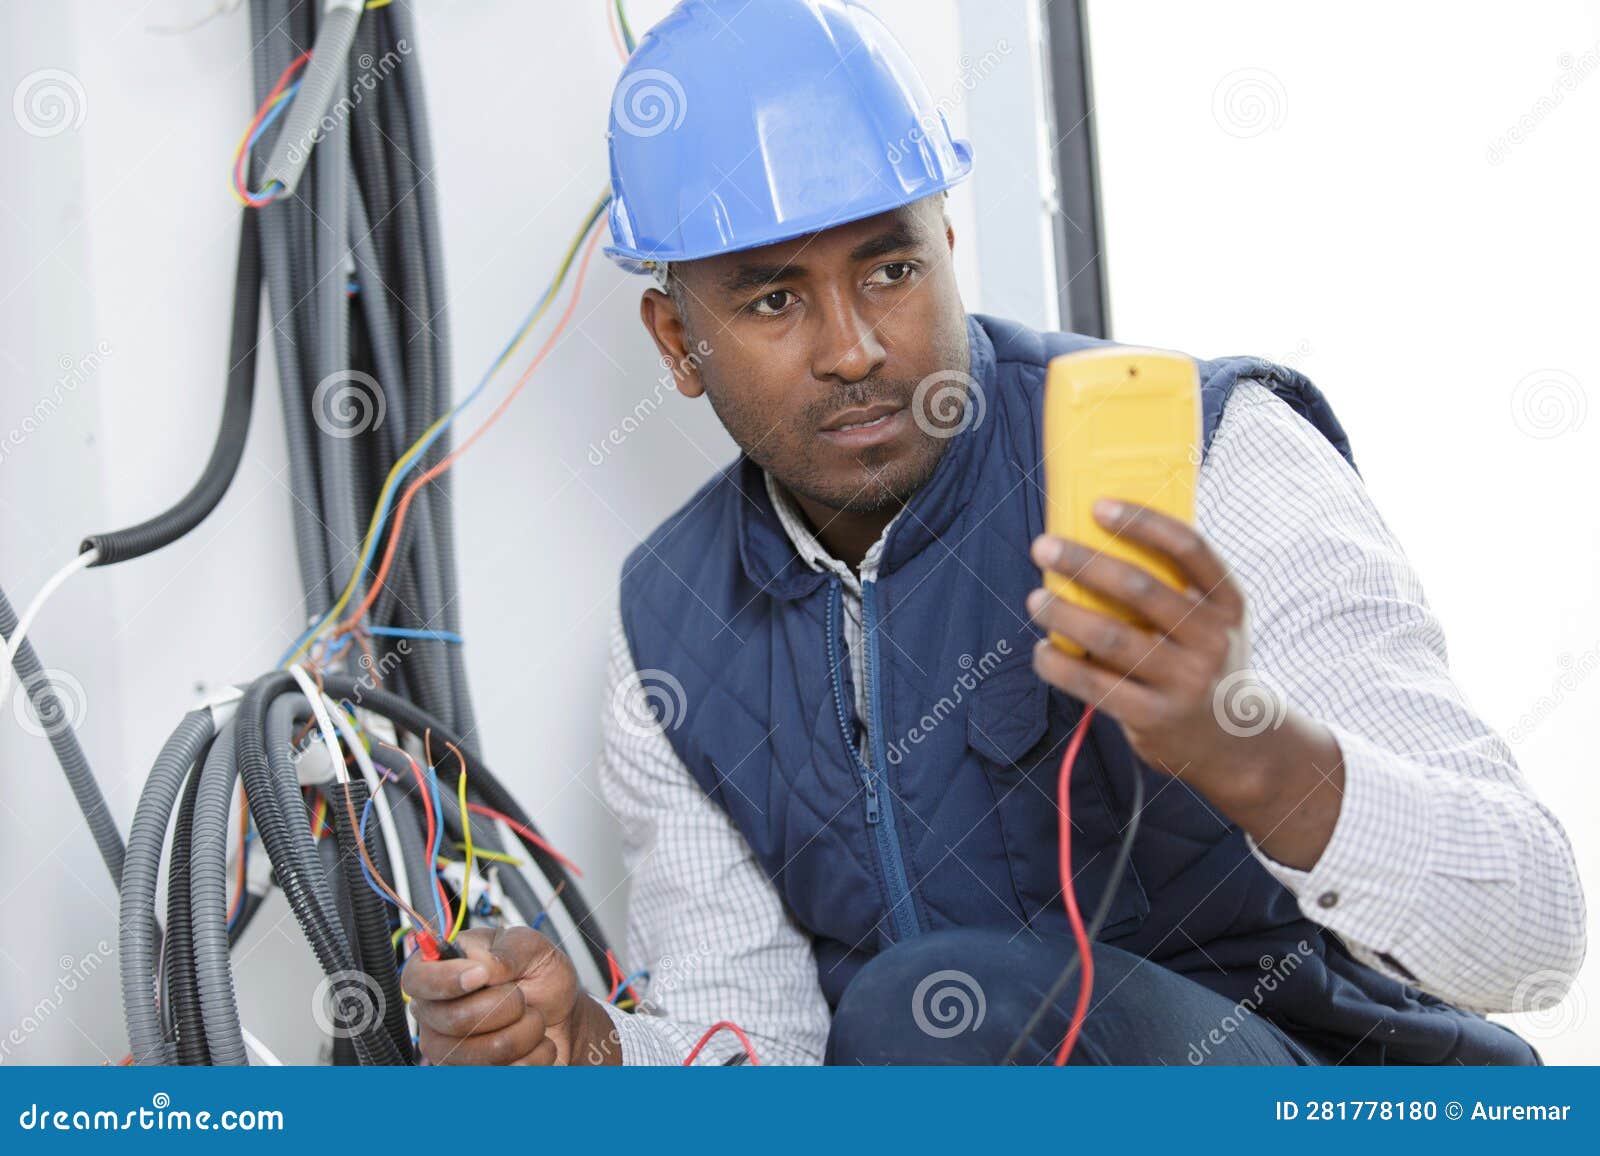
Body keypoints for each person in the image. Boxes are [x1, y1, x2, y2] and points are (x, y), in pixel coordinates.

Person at [401, 0, 1584, 1066]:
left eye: (890, 267)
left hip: (1318, 1093)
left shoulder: (1214, 452)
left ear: (946, 253)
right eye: (772, 298)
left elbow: (1532, 937)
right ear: (675, 341)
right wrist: (596, 1056)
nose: (854, 347)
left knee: (930, 1001)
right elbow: (759, 1049)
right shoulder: (667, 621)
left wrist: (1252, 749)